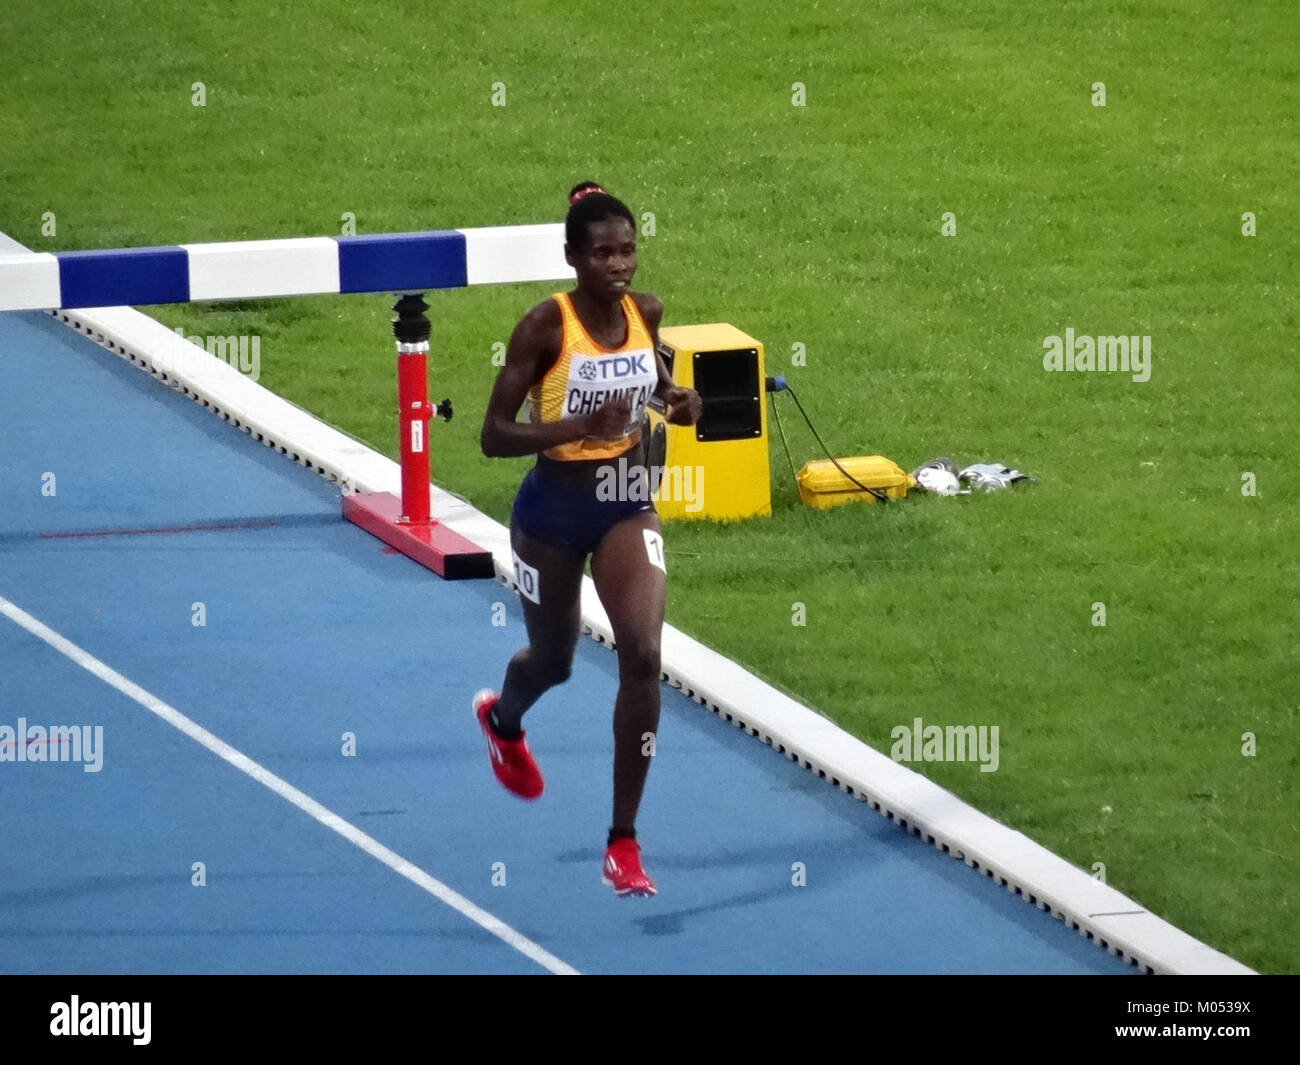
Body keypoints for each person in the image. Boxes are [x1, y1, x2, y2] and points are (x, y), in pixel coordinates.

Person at [476, 181, 702, 897]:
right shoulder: (544, 325)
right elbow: (492, 436)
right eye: (602, 252)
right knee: (554, 661)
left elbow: (653, 378)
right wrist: (578, 427)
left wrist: (677, 399)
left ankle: (623, 841)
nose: (619, 264)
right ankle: (503, 718)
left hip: (625, 502)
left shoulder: (647, 311)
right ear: (572, 256)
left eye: (628, 249)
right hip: (549, 514)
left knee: (643, 653)